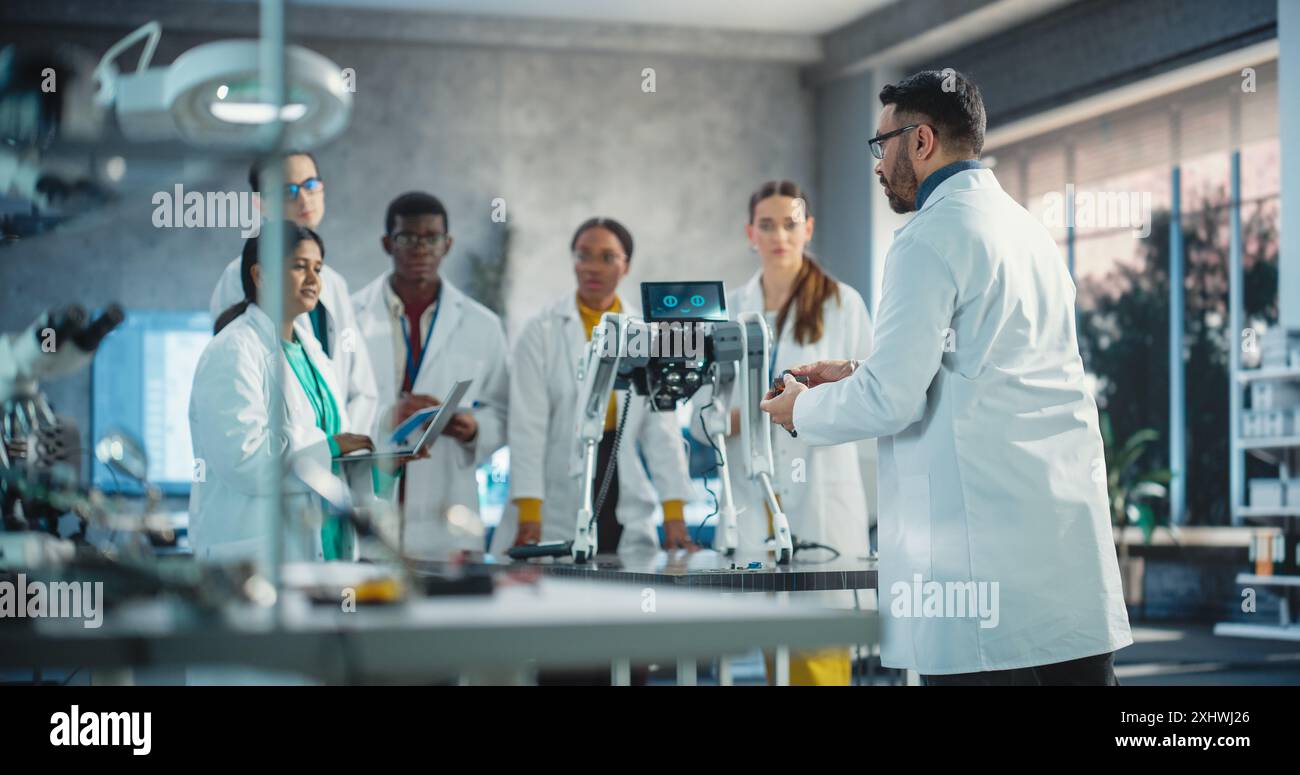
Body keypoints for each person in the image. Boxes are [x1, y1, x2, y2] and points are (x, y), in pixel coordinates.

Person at [760, 69, 1131, 685]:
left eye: (883, 145)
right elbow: (980, 367)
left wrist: (799, 410)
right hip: (1064, 567)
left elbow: (892, 401)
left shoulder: (927, 237)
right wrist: (854, 369)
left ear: (922, 141)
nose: (878, 165)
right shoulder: (1028, 232)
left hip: (979, 581)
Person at [689, 181, 874, 686]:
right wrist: (727, 418)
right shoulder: (727, 310)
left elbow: (872, 402)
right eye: (766, 225)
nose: (779, 235)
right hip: (755, 498)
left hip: (821, 494)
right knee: (776, 645)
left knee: (818, 647)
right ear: (751, 233)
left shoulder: (843, 304)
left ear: (808, 229)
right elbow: (698, 416)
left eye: (790, 223)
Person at [489, 217, 694, 557]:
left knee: (624, 599)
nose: (593, 267)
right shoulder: (541, 333)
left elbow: (662, 433)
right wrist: (529, 513)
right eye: (583, 256)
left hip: (621, 490)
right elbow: (527, 429)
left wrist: (675, 516)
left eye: (607, 257)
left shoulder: (646, 335)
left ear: (625, 265)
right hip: (552, 504)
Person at [189, 223, 375, 562]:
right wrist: (330, 447)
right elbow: (244, 459)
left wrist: (377, 460)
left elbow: (329, 448)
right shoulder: (233, 350)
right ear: (260, 275)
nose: (313, 279)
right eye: (299, 266)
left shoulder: (312, 352)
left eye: (317, 268)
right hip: (258, 555)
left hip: (327, 545)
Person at [352, 192, 509, 557]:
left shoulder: (482, 325)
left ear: (447, 244)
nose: (420, 249)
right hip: (371, 505)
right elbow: (331, 408)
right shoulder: (350, 317)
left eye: (432, 238)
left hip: (448, 511)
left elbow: (503, 412)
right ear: (387, 243)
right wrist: (386, 417)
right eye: (407, 238)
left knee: (450, 612)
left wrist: (475, 429)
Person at [209, 151, 379, 434]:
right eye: (288, 191)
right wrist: (320, 448)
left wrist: (343, 450)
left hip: (333, 461)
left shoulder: (333, 283)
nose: (304, 198)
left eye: (311, 185)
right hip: (282, 457)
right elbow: (242, 379)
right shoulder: (242, 275)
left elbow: (360, 385)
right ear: (261, 204)